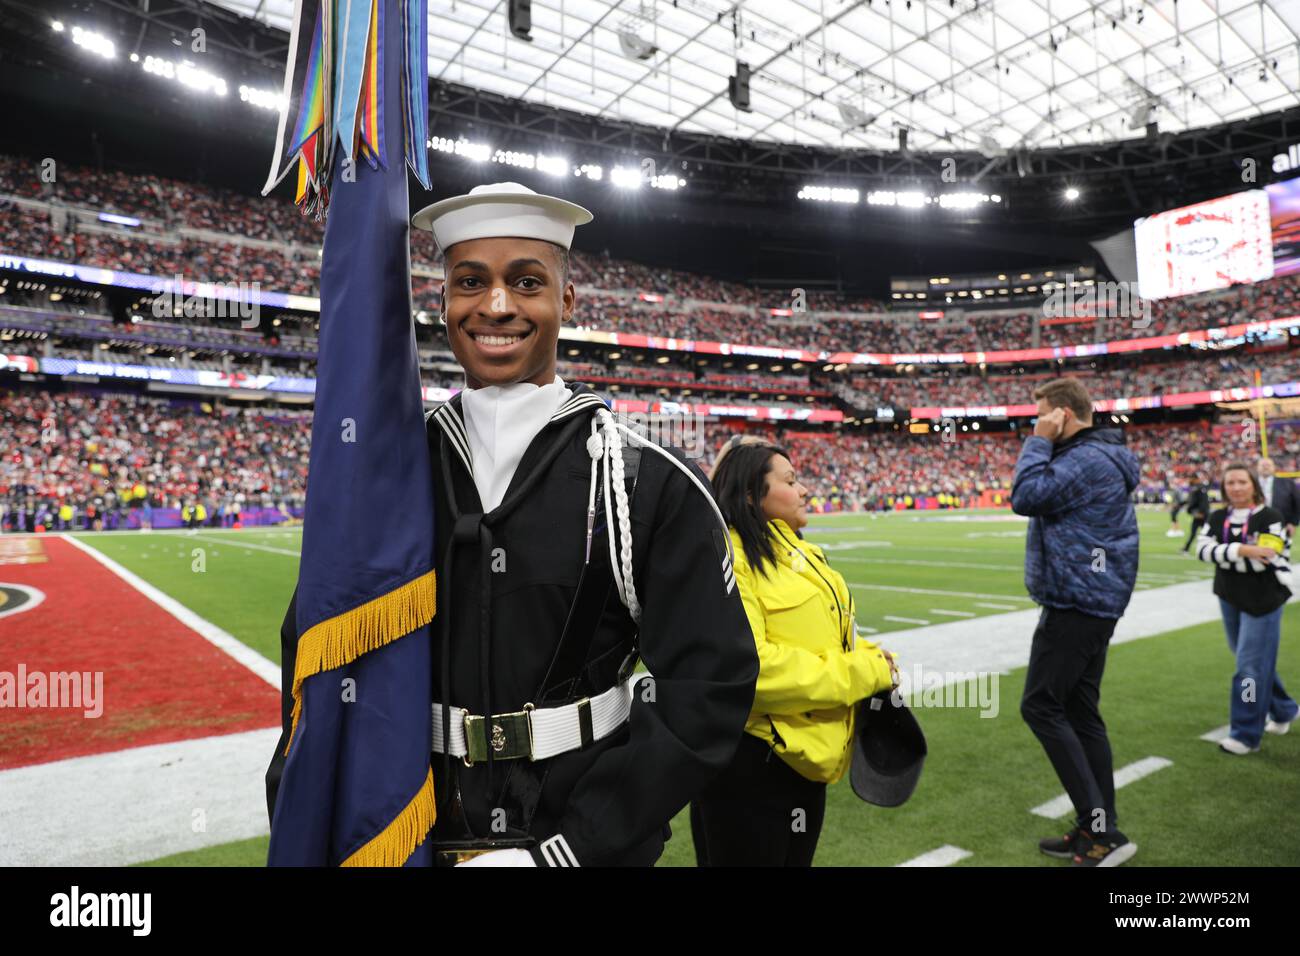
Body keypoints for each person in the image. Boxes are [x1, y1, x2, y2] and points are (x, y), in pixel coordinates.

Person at [266, 182, 759, 867]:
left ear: (566, 300)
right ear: (443, 302)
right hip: (408, 844)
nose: (496, 305)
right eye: (471, 282)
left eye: (526, 282)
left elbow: (710, 690)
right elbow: (312, 663)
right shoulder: (382, 482)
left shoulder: (649, 482)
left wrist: (569, 850)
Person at [689, 436, 898, 866]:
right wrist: (863, 672)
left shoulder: (800, 552)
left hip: (804, 764)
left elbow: (824, 639)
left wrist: (874, 657)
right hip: (752, 766)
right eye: (791, 480)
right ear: (751, 493)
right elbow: (752, 669)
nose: (805, 489)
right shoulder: (727, 556)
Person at [1011, 377, 1140, 867]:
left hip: (1077, 600)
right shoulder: (1097, 455)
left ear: (1063, 413)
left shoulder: (1085, 458)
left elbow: (1025, 495)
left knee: (1040, 706)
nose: (1036, 419)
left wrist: (1040, 439)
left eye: (1042, 412)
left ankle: (1100, 830)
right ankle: (1099, 830)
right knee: (1081, 713)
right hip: (1090, 598)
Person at [1194, 462, 1298, 754]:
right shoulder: (1217, 517)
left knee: (1248, 668)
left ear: (1253, 484)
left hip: (1263, 600)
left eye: (1242, 482)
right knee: (1251, 660)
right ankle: (1284, 709)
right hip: (1229, 596)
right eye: (1230, 483)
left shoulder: (1271, 517)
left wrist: (1226, 554)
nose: (1236, 488)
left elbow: (1268, 558)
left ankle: (1245, 734)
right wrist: (1242, 549)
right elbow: (1202, 551)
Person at [1256, 457, 1299, 536]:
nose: (1265, 467)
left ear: (1274, 467)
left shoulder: (1287, 483)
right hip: (1254, 525)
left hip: (1281, 525)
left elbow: (1297, 503)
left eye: (1268, 465)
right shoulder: (1250, 483)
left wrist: (1293, 523)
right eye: (1263, 465)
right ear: (1257, 467)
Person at [1171, 474, 1211, 552]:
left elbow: (1204, 502)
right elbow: (1190, 500)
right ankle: (1186, 548)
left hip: (1202, 515)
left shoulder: (1200, 488)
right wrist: (1179, 505)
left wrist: (1202, 512)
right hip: (1197, 515)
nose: (1189, 480)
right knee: (1194, 533)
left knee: (1207, 532)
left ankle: (1208, 548)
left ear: (1195, 479)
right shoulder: (1195, 488)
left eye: (1191, 478)